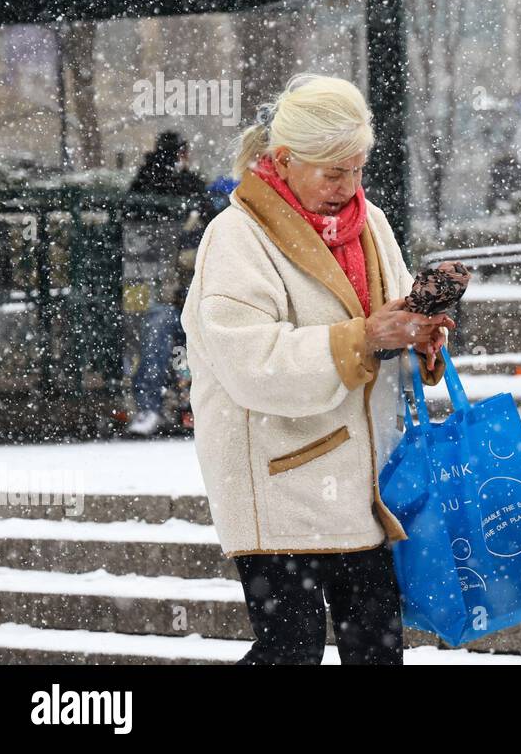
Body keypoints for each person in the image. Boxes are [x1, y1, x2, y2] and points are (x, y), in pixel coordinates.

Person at [181, 74, 464, 665]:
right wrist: (363, 337)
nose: (348, 187)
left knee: (379, 653)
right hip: (278, 483)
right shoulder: (234, 237)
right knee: (290, 652)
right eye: (333, 172)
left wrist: (418, 340)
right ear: (282, 160)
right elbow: (251, 365)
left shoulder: (373, 224)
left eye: (357, 169)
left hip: (364, 486)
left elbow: (382, 329)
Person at [125, 131, 214, 436]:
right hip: (168, 297)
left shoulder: (143, 188)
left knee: (166, 329)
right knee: (159, 326)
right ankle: (157, 408)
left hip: (187, 297)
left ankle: (174, 408)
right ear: (182, 154)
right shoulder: (185, 191)